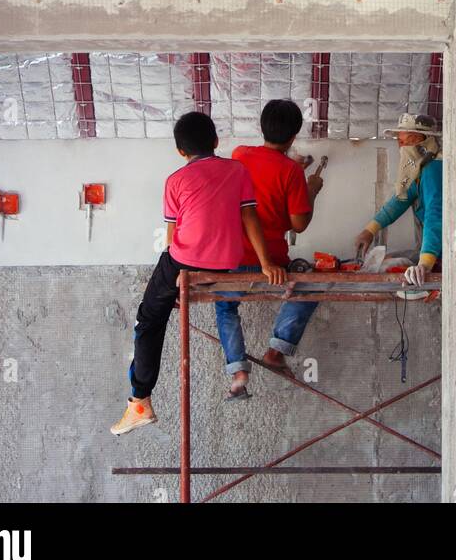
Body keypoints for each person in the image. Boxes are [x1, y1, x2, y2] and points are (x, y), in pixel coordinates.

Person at [111, 110, 286, 436]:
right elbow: (250, 219)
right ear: (216, 141)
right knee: (168, 296)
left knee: (148, 320)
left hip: (184, 261)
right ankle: (141, 399)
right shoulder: (238, 170)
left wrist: (171, 281)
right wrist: (265, 263)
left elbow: (171, 234)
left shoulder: (175, 180)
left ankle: (139, 400)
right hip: (227, 262)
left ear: (180, 151)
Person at [215, 99, 324, 399]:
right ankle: (277, 351)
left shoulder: (240, 155)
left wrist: (295, 173)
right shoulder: (291, 173)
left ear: (261, 127)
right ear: (293, 136)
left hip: (233, 262)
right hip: (272, 265)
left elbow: (262, 177)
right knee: (311, 285)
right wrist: (311, 190)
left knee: (225, 307)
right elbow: (299, 225)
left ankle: (238, 371)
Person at [354, 112, 442, 288]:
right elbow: (400, 199)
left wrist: (424, 264)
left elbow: (436, 217)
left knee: (389, 269)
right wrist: (370, 230)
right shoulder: (418, 168)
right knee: (383, 263)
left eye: (407, 141)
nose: (402, 147)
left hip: (440, 253)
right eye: (399, 142)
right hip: (430, 250)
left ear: (422, 142)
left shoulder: (433, 169)